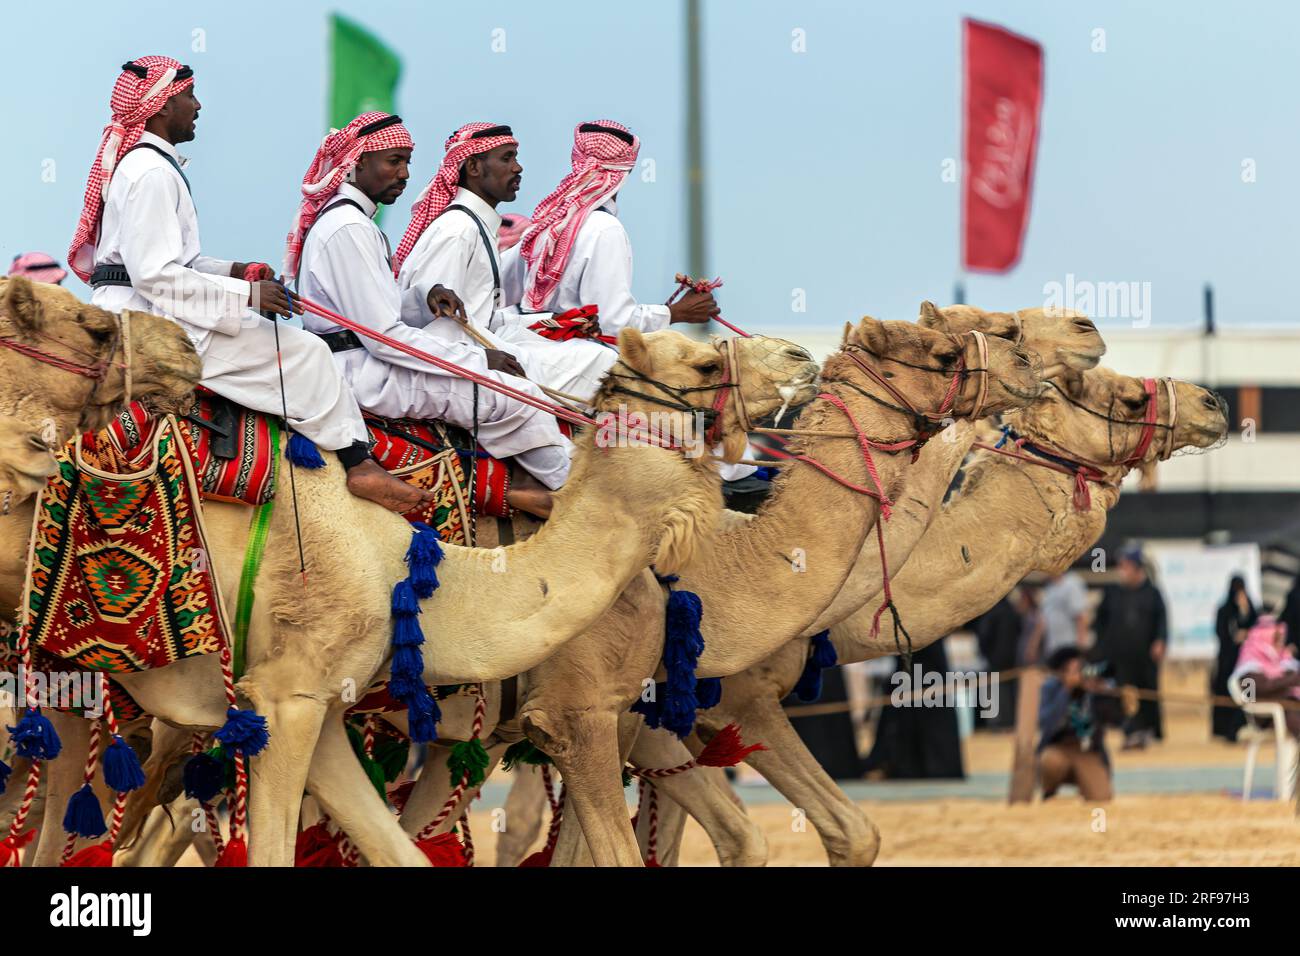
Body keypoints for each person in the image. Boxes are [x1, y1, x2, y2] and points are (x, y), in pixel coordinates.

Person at [71, 57, 425, 514]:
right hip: (150, 323)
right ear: (161, 106)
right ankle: (359, 464)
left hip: (145, 308)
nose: (197, 106)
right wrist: (249, 297)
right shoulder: (153, 173)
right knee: (307, 353)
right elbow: (154, 274)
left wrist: (236, 271)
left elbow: (177, 263)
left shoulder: (149, 167)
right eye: (188, 97)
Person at [288, 113, 570, 517]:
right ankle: (570, 501)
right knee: (518, 395)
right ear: (357, 162)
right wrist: (479, 360)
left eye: (407, 162)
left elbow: (372, 313)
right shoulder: (349, 227)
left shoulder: (354, 222)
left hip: (363, 358)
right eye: (393, 161)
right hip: (363, 372)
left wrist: (425, 295)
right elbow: (383, 337)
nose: (404, 174)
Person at [394, 123, 614, 402]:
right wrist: (479, 359)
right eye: (507, 158)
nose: (518, 168)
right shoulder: (458, 230)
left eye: (516, 158)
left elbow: (478, 315)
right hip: (463, 363)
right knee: (601, 362)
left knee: (591, 353)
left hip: (482, 346)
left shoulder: (475, 225)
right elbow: (437, 324)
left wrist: (553, 322)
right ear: (473, 167)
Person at [1091, 546, 1167, 749]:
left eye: (1126, 566)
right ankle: (1131, 731)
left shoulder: (1152, 593)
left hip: (1145, 656)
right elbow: (1100, 622)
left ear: (1137, 568)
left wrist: (1160, 641)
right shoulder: (1112, 592)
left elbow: (1162, 621)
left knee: (1147, 692)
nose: (1122, 570)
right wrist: (1100, 647)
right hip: (1120, 656)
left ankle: (1150, 730)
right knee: (1123, 694)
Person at [1037, 647, 1122, 800]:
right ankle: (1049, 790)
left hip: (1087, 751)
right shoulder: (1051, 688)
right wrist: (1066, 690)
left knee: (1102, 798)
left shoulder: (1093, 689)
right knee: (1049, 762)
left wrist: (1112, 697)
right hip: (1059, 748)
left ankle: (1085, 784)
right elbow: (1047, 723)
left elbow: (1114, 720)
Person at [1229, 615, 1300, 737]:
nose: (1280, 643)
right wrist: (1291, 680)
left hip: (1287, 707)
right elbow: (1252, 695)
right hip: (1265, 716)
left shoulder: (1281, 659)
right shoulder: (1248, 665)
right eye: (1276, 639)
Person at [1212, 575, 1257, 741]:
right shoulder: (1224, 610)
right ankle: (1223, 730)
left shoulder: (1251, 608)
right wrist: (1234, 637)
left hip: (1246, 664)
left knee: (1248, 691)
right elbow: (1221, 633)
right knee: (1225, 694)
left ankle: (1249, 724)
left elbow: (1256, 628)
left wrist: (1245, 612)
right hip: (1228, 662)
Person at [1037, 572, 1090, 659]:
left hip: (1069, 648)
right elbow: (1043, 621)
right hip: (1053, 649)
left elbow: (1081, 617)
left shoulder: (1072, 583)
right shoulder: (1049, 588)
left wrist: (1080, 649)